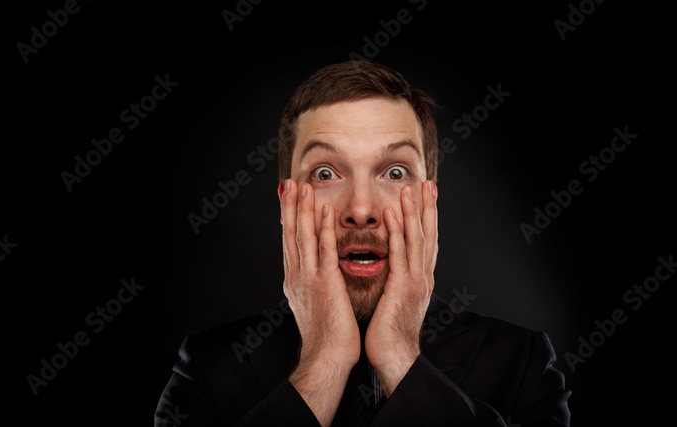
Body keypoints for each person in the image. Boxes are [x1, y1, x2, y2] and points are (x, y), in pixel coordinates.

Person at [155, 61, 570, 426]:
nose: (360, 209)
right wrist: (325, 361)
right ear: (287, 204)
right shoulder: (208, 370)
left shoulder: (522, 362)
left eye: (393, 172)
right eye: (324, 173)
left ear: (430, 199)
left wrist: (401, 360)